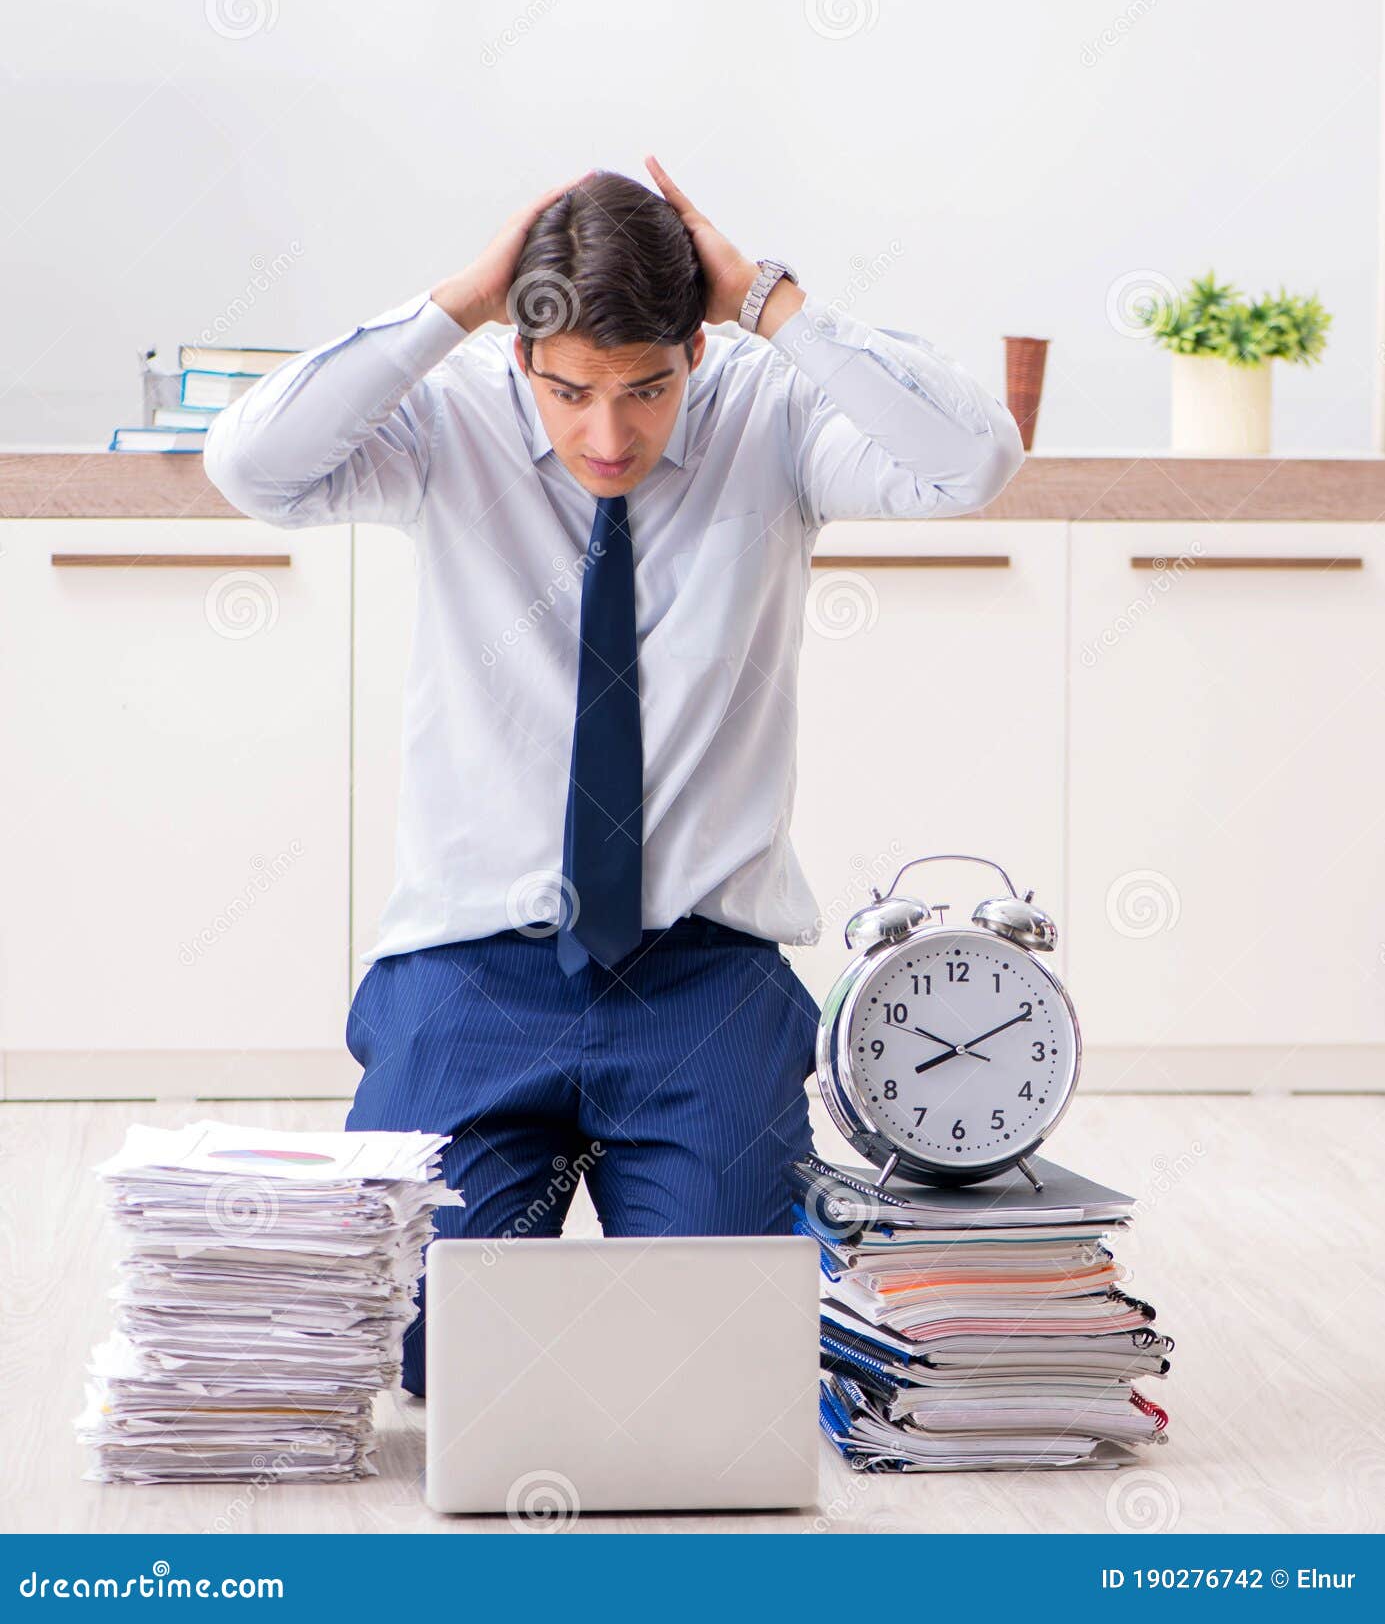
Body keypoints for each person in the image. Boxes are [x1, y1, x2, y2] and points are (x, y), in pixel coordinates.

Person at [203, 155, 1025, 1395]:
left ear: (694, 348)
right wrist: (458, 302)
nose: (607, 435)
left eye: (645, 389)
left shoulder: (767, 412)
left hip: (702, 974)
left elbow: (971, 462)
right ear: (521, 354)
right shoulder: (452, 414)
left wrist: (769, 301)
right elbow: (250, 466)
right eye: (570, 391)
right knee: (423, 1347)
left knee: (726, 1344)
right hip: (472, 968)